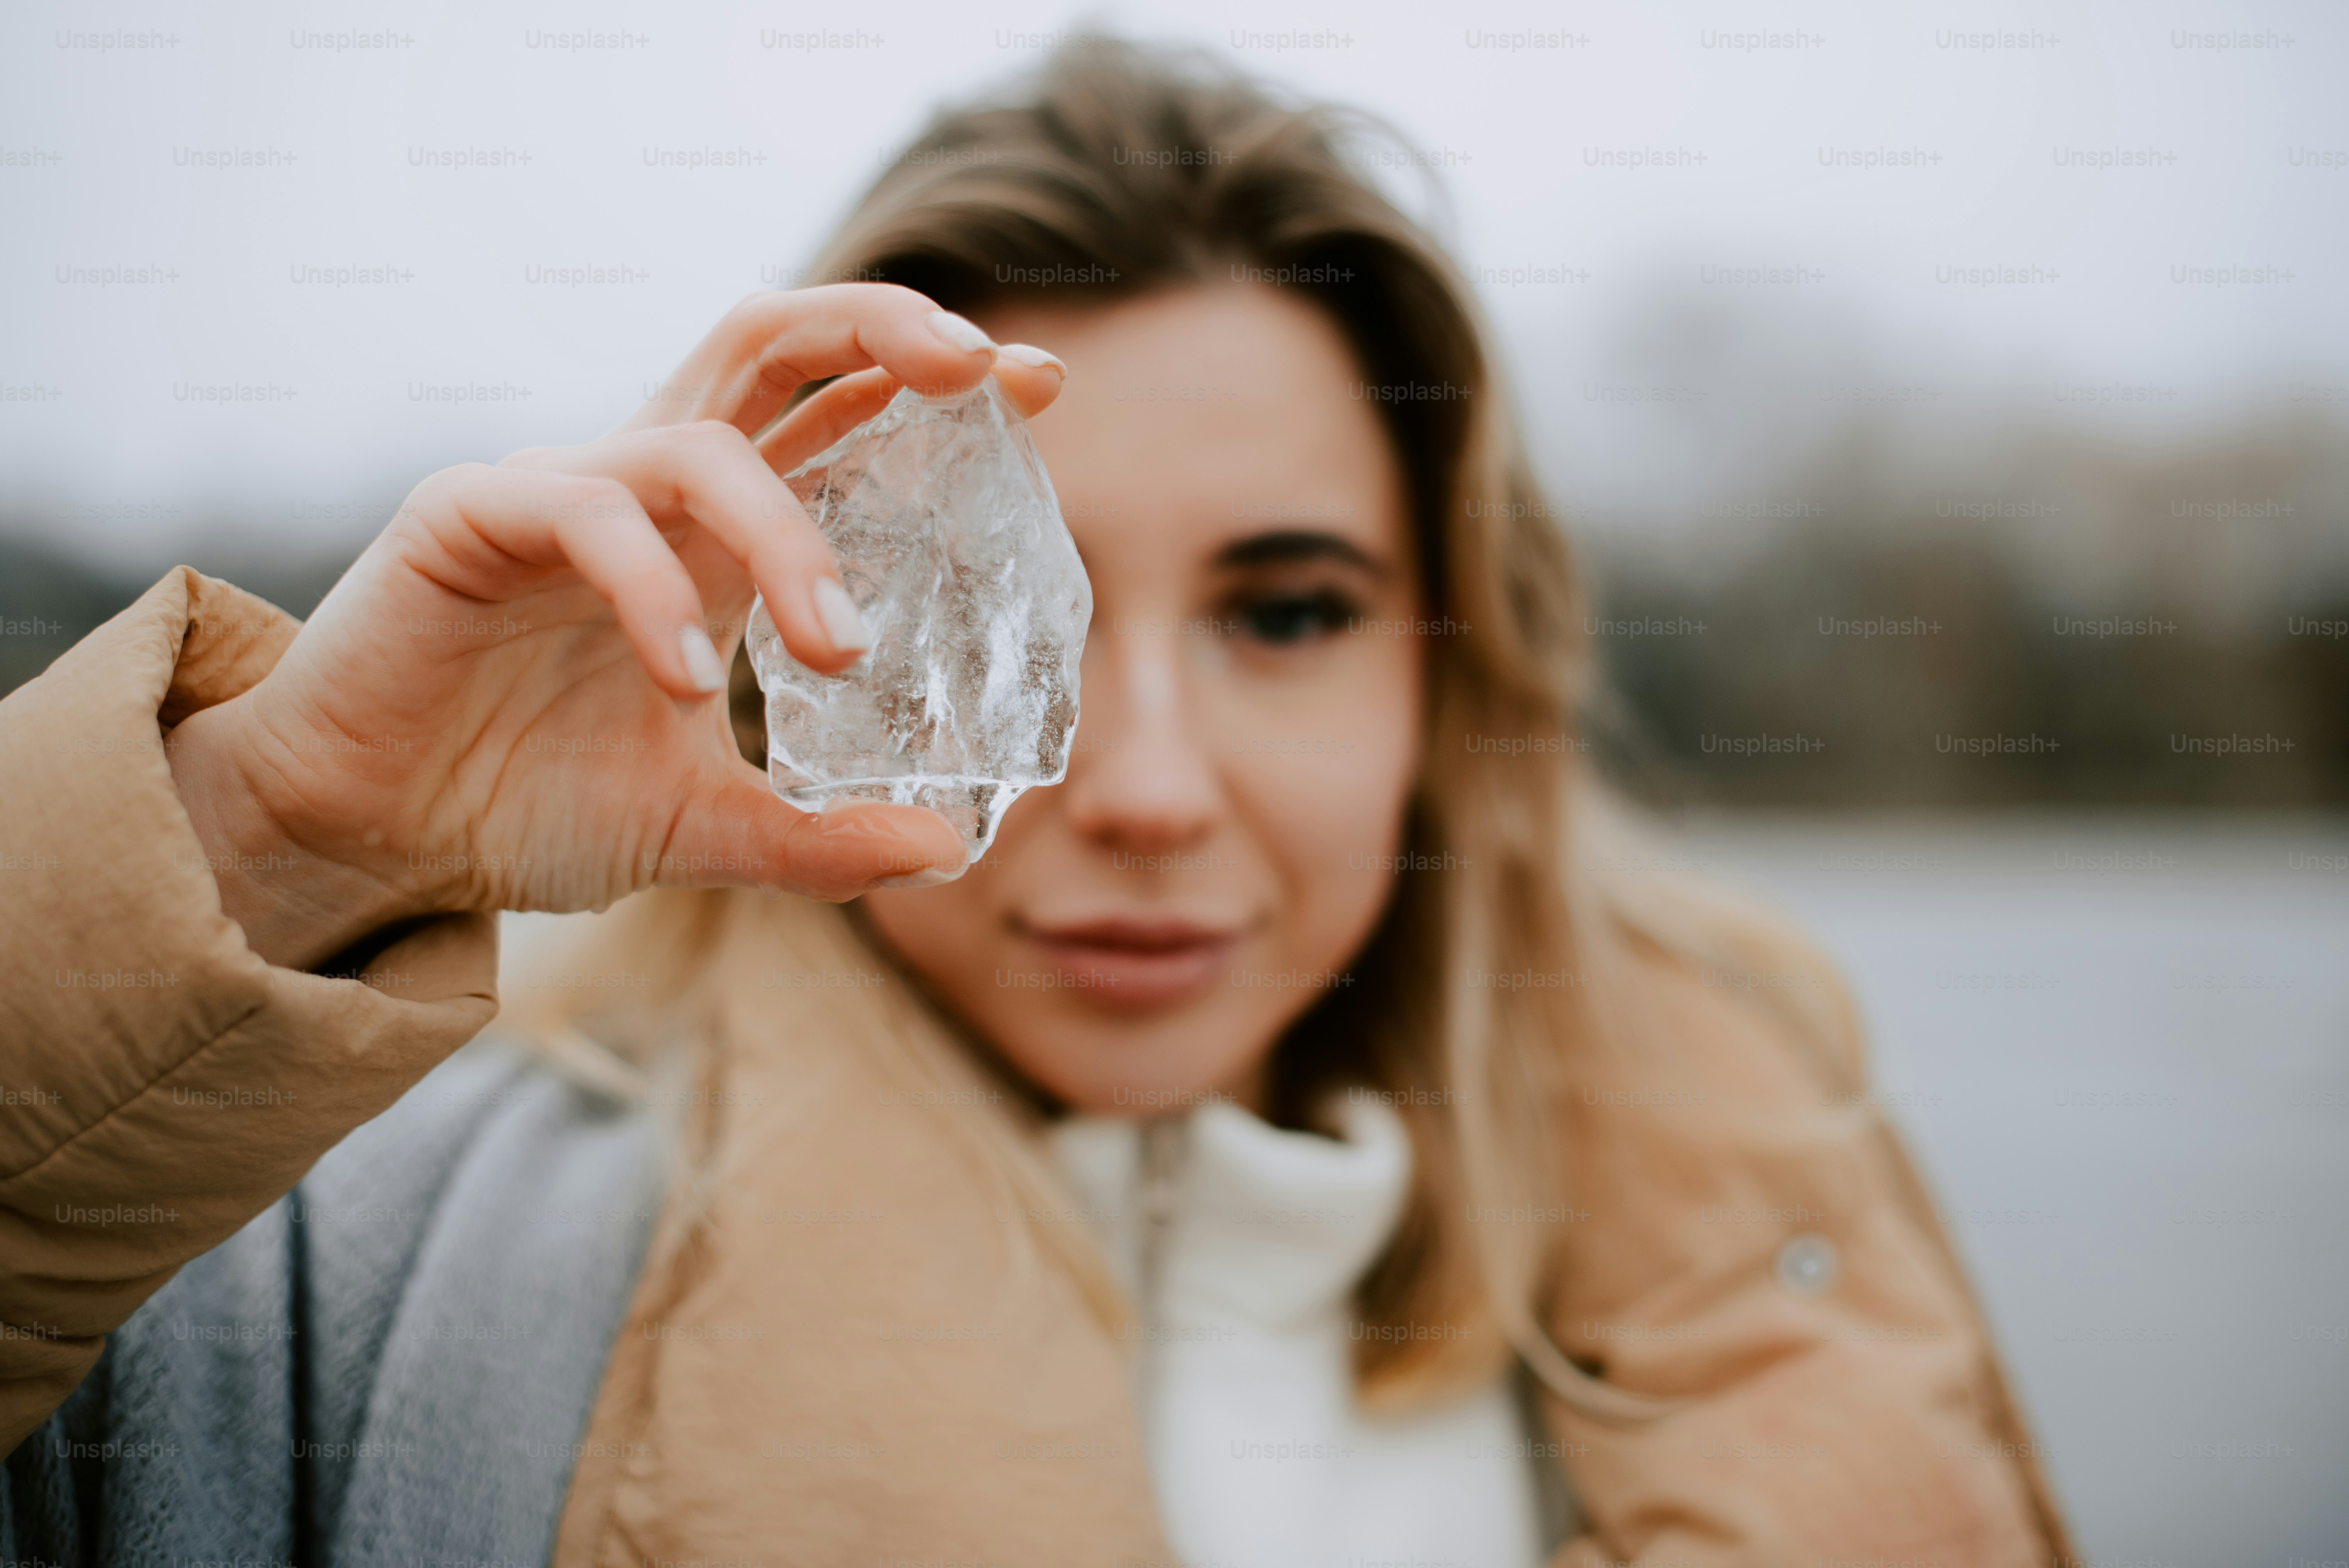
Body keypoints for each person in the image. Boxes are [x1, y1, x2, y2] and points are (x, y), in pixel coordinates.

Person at [0, 38, 2069, 1568]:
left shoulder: (1789, 1212)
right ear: (769, 632)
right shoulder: (333, 1253)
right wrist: (282, 834)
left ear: (1455, 675)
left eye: (1288, 609)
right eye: (977, 611)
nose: (1146, 792)